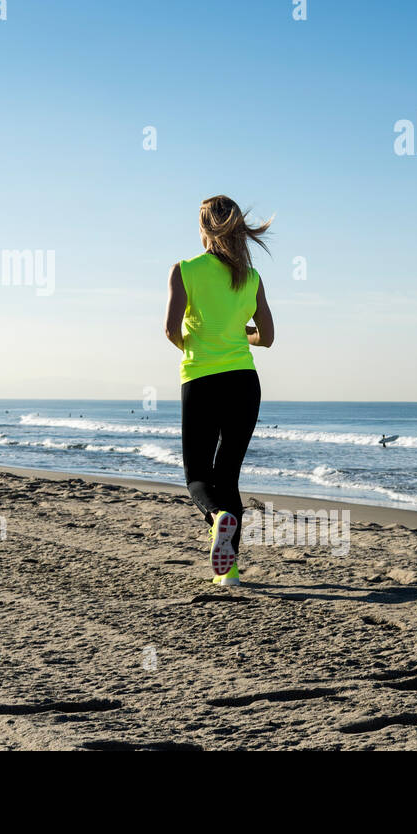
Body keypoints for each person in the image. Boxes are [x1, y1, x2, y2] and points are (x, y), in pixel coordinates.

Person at [165, 194, 274, 588]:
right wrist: (237, 333)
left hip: (200, 380)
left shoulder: (184, 270)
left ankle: (216, 518)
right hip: (245, 382)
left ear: (205, 228)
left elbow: (170, 329)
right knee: (228, 476)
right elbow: (268, 338)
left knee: (198, 477)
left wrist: (194, 345)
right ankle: (227, 573)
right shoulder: (252, 277)